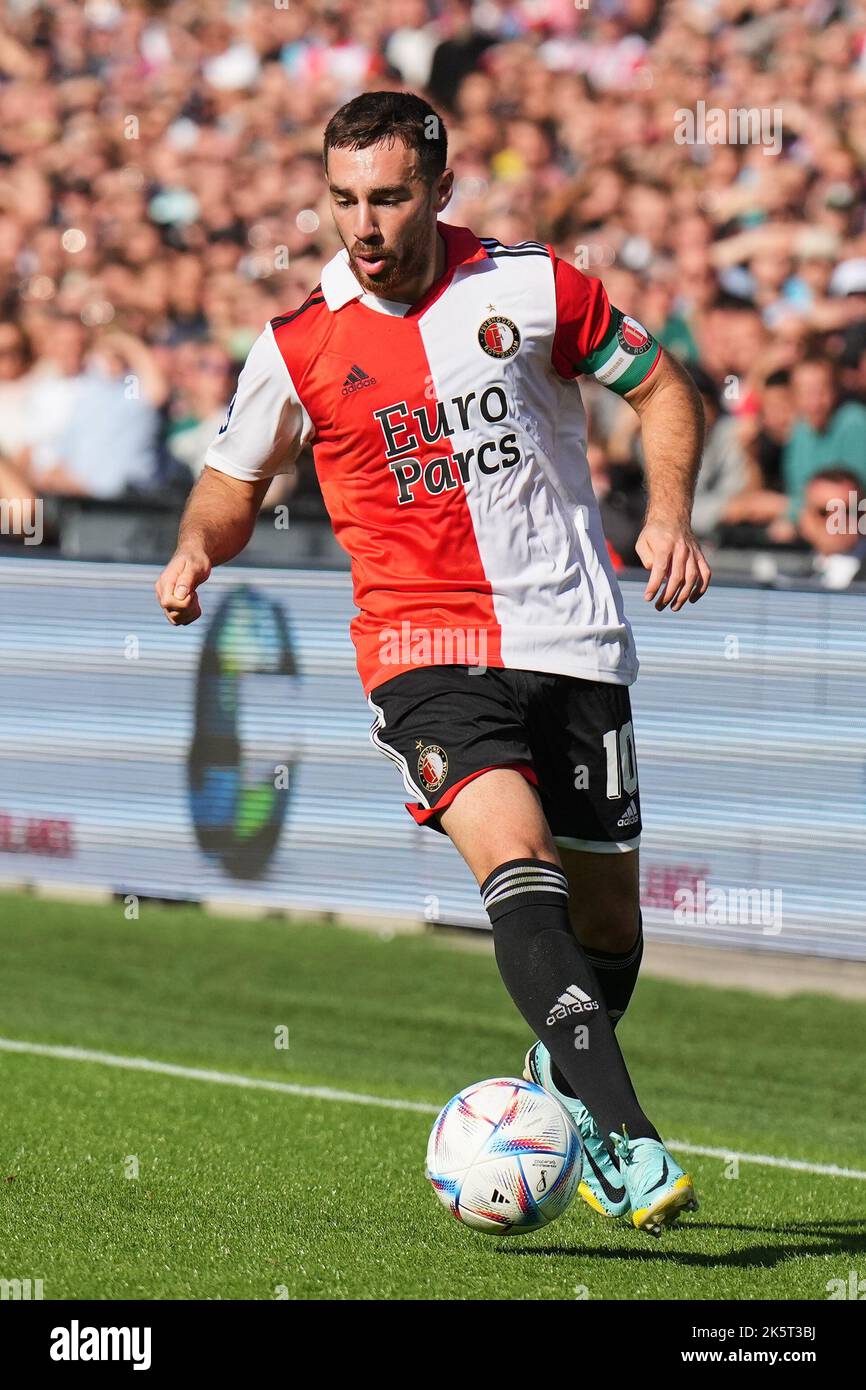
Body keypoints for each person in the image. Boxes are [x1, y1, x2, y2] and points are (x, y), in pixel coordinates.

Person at [156, 91, 711, 1237]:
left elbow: (662, 389)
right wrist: (192, 551)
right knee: (517, 867)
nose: (363, 222)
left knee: (608, 929)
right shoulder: (299, 344)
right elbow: (230, 484)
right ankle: (629, 1139)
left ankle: (559, 1079)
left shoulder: (533, 287)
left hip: (569, 637)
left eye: (389, 196)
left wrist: (667, 515)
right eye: (345, 197)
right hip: (421, 652)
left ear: (439, 189)